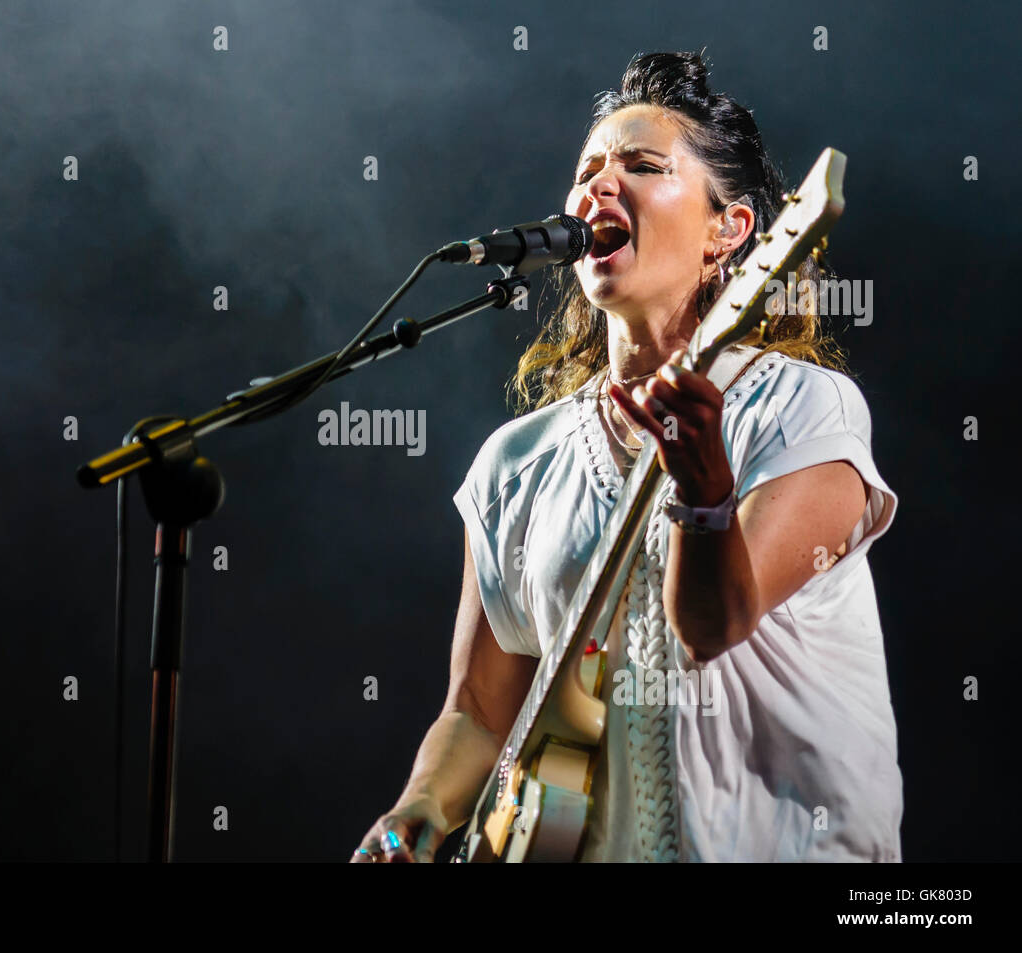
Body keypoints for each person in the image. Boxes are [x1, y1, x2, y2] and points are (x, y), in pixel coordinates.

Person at [351, 51, 901, 863]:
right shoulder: (516, 461)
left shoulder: (802, 409)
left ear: (730, 231)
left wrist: (704, 493)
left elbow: (710, 624)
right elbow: (476, 705)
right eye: (588, 172)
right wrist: (418, 808)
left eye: (643, 166)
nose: (598, 188)